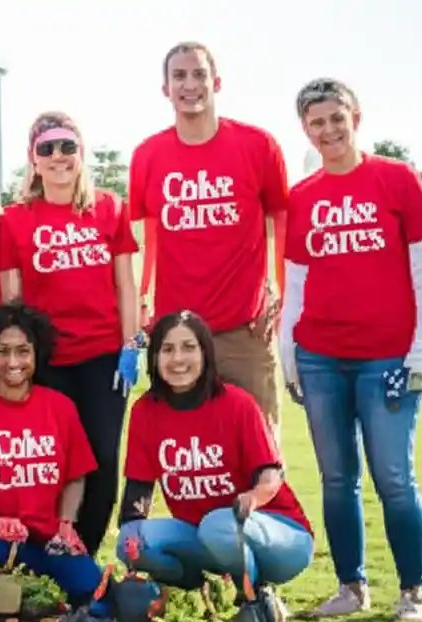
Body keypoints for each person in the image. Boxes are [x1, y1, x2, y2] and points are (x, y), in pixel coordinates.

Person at [279, 79, 422, 622]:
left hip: (387, 359)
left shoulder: (396, 180)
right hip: (321, 357)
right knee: (335, 478)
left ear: (355, 117)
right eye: (316, 123)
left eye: (335, 119)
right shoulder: (302, 197)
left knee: (394, 476)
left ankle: (414, 591)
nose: (328, 131)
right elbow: (295, 283)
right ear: (305, 128)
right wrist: (288, 353)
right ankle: (352, 587)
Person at [0, 111, 141, 557]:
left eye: (66, 147)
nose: (58, 157)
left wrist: (132, 345)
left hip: (102, 360)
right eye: (47, 149)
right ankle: (44, 552)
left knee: (100, 461)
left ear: (81, 154)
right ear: (33, 161)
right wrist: (17, 360)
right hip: (48, 362)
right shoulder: (15, 220)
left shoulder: (110, 207)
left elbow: (126, 284)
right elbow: (12, 300)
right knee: (49, 464)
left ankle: (86, 558)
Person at [127, 41, 290, 439]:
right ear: (165, 88)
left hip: (244, 331)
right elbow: (142, 240)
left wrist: (283, 295)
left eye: (198, 74)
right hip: (176, 336)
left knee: (261, 457)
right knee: (190, 457)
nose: (190, 84)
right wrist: (141, 304)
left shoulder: (258, 145)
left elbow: (282, 224)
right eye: (179, 76)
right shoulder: (148, 155)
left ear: (216, 82)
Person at [117, 310, 314, 594]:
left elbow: (271, 474)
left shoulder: (237, 403)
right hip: (201, 534)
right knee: (129, 542)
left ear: (205, 353)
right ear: (155, 357)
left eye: (188, 347)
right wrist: (133, 542)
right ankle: (198, 591)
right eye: (167, 349)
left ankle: (253, 598)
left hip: (276, 535)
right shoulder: (145, 412)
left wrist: (252, 498)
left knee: (217, 525)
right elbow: (138, 490)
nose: (178, 359)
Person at [0, 302, 103, 605]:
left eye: (23, 351)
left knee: (91, 591)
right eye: (2, 351)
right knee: (3, 579)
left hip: (48, 539)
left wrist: (66, 524)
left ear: (36, 354)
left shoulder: (60, 407)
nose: (13, 361)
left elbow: (75, 477)